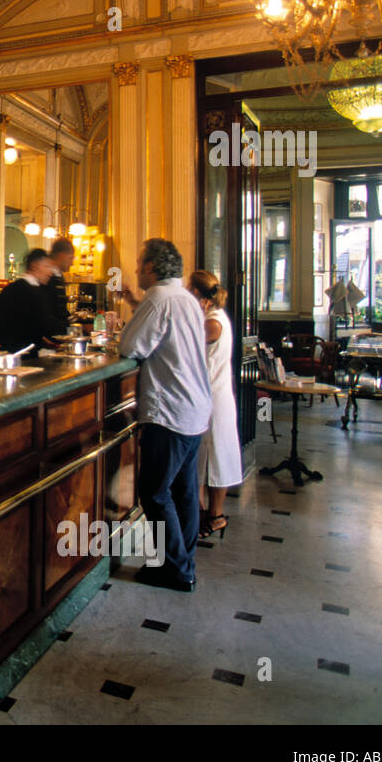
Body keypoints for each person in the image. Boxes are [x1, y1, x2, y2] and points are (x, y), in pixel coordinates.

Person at [116, 238, 212, 591]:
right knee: (184, 494)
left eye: (140, 263)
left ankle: (176, 570)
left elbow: (130, 347)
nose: (137, 269)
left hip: (169, 411)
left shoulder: (158, 298)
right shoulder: (184, 297)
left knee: (155, 493)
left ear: (152, 268)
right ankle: (184, 563)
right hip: (194, 409)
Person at [189, 270, 242, 539]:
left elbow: (185, 346)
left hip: (214, 399)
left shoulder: (212, 323)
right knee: (205, 459)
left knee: (215, 458)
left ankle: (215, 515)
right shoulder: (213, 318)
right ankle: (202, 515)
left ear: (198, 294)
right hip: (212, 396)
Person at [0, 248, 60, 359]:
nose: (50, 272)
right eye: (47, 267)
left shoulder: (25, 288)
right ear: (34, 265)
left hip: (16, 352)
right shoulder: (26, 290)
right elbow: (40, 323)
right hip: (20, 355)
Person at [48, 237, 75, 337]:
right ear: (62, 256)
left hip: (59, 332)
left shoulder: (59, 275)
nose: (72, 263)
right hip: (51, 335)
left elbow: (62, 310)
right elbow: (51, 311)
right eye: (71, 258)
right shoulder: (48, 277)